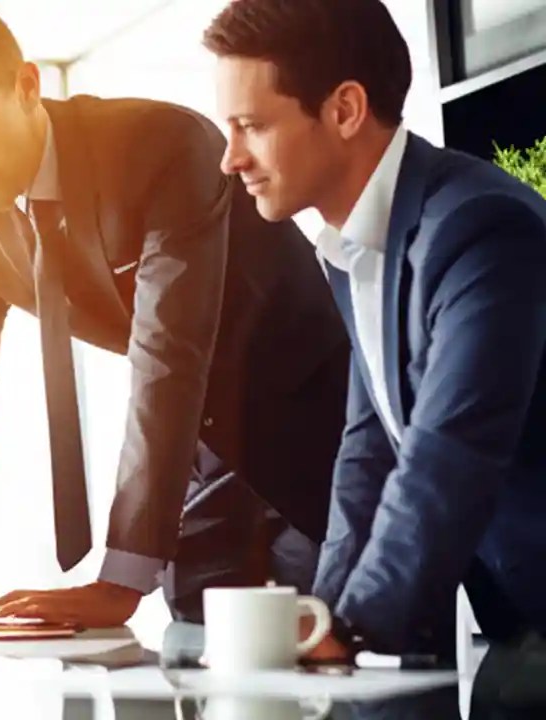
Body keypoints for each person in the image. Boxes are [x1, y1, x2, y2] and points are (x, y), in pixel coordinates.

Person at [0, 0, 350, 628]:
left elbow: (167, 351)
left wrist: (118, 581)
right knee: (198, 625)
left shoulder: (163, 145)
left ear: (26, 85)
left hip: (324, 433)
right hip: (201, 450)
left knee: (340, 640)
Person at [205, 0, 546, 660]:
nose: (230, 159)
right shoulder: (355, 250)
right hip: (520, 637)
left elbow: (449, 453)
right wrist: (327, 617)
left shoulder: (480, 229)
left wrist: (352, 630)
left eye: (252, 126)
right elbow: (368, 454)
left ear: (345, 110)